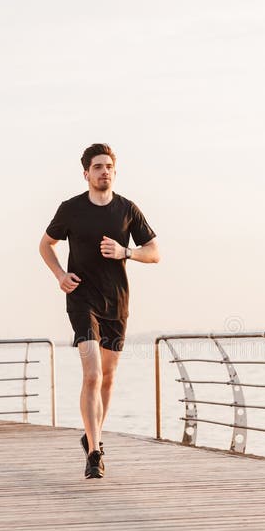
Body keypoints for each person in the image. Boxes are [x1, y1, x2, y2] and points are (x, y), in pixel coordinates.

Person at [39, 143, 160, 479]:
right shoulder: (71, 209)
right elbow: (45, 245)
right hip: (81, 299)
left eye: (108, 166)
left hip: (116, 301)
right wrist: (60, 275)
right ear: (86, 174)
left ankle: (93, 435)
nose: (104, 171)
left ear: (114, 171)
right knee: (91, 374)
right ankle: (94, 454)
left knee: (108, 378)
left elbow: (155, 252)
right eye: (97, 167)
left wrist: (126, 252)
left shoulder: (127, 210)